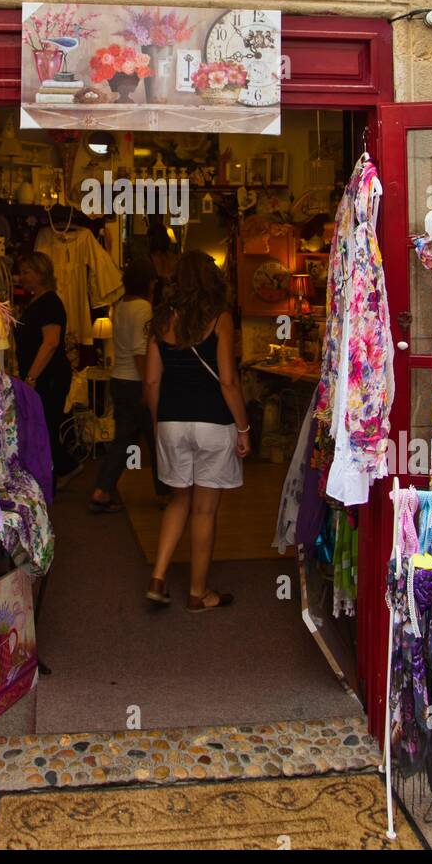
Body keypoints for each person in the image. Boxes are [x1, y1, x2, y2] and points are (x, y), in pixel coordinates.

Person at [143, 250, 250, 611]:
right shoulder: (220, 318)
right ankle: (198, 592)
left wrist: (160, 425)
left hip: (172, 421)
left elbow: (152, 381)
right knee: (204, 510)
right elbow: (229, 381)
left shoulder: (160, 321)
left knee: (178, 500)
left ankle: (158, 577)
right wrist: (244, 427)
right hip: (213, 424)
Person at [89, 258, 162, 513]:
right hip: (135, 381)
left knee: (124, 438)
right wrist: (148, 386)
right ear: (149, 282)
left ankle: (103, 488)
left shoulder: (120, 305)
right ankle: (164, 493)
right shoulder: (143, 308)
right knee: (154, 439)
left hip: (119, 378)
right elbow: (140, 351)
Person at [16, 251, 75, 487]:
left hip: (48, 376)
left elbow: (50, 342)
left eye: (26, 272)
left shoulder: (49, 302)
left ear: (40, 274)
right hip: (42, 375)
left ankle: (61, 469)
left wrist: (32, 376)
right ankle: (57, 471)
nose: (21, 277)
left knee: (45, 425)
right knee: (43, 425)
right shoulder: (39, 301)